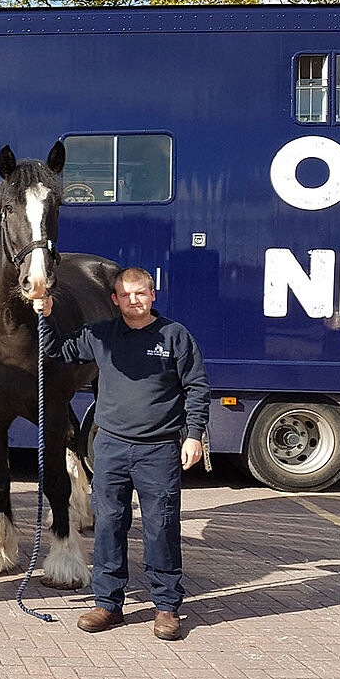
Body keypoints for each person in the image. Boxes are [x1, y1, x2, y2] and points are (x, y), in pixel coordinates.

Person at [34, 266, 209, 640]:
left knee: (161, 527)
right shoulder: (101, 334)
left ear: (152, 295)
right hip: (110, 447)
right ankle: (108, 605)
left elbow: (196, 387)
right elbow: (56, 349)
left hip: (159, 449)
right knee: (109, 526)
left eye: (140, 293)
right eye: (126, 295)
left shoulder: (175, 336)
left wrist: (193, 435)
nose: (134, 300)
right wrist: (46, 316)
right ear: (115, 300)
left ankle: (166, 608)